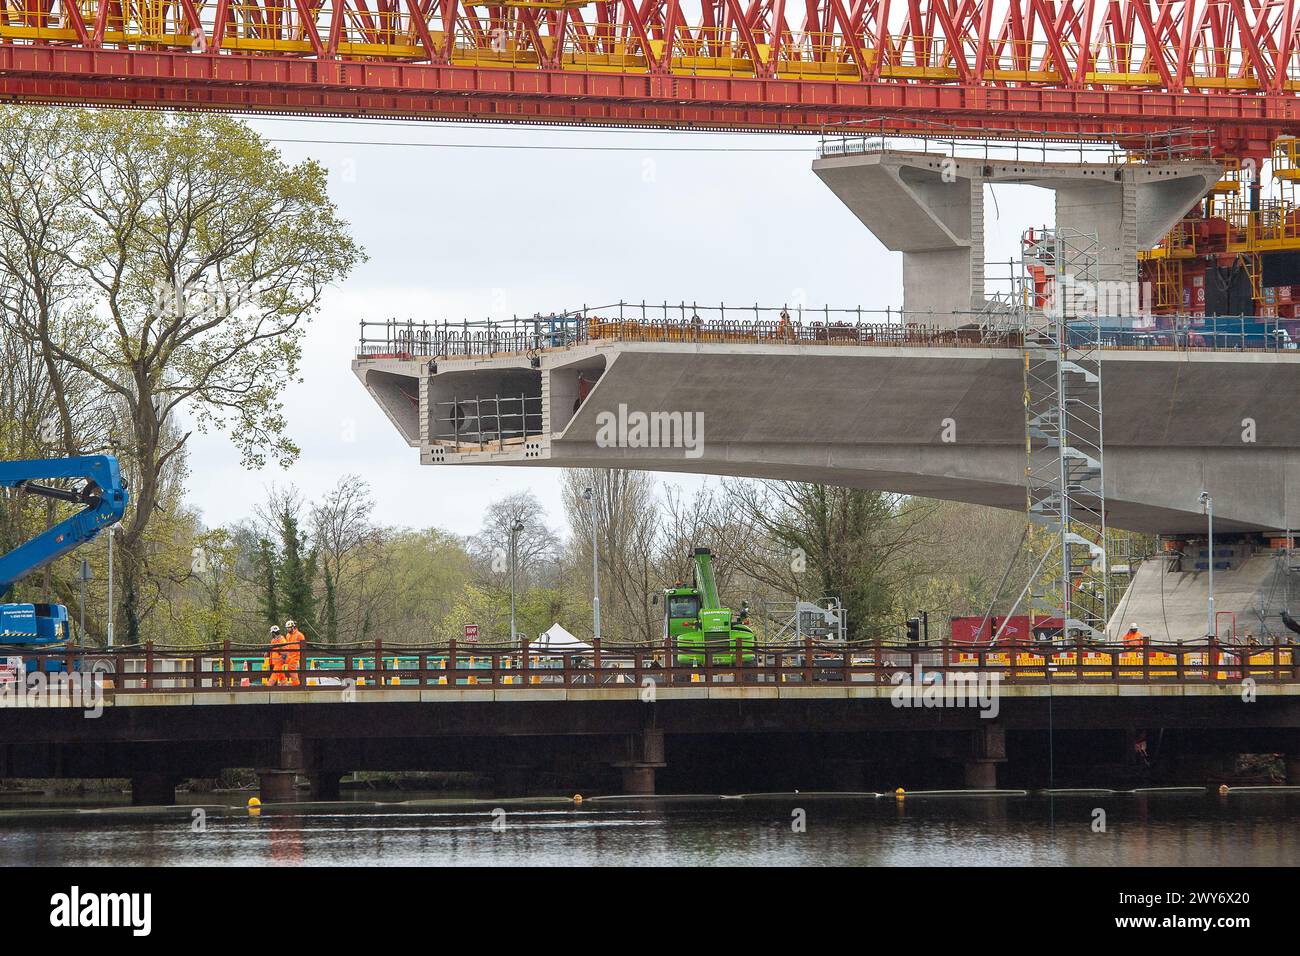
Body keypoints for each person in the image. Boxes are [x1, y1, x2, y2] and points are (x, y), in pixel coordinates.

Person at [281, 619, 304, 687]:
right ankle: (287, 683)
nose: (288, 629)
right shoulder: (288, 635)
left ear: (293, 627)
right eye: (287, 628)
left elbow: (303, 645)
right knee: (280, 667)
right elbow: (287, 645)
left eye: (289, 628)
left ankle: (296, 684)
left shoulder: (299, 635)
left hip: (296, 656)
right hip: (289, 656)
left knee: (292, 669)